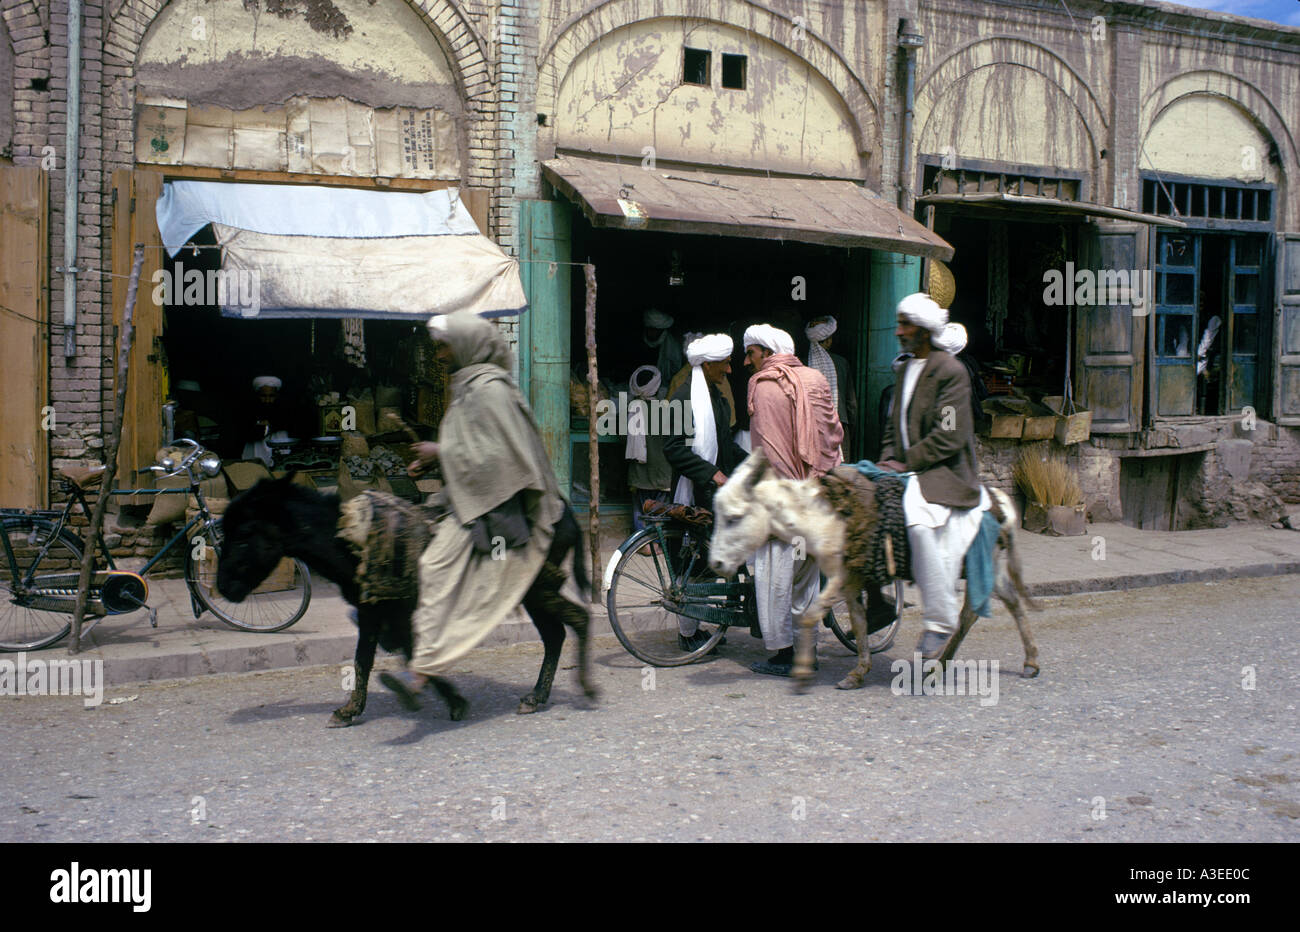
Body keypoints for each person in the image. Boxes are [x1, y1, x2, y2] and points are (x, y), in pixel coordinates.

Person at [381, 313, 587, 707]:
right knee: (425, 558)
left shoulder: (490, 391)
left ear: (465, 345)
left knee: (439, 568)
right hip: (473, 498)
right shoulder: (470, 387)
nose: (439, 355)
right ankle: (417, 659)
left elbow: (505, 458)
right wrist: (436, 461)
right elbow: (475, 450)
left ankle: (421, 670)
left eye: (444, 346)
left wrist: (440, 451)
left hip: (501, 505)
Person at [878, 294, 989, 662]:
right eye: (899, 323)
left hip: (943, 472)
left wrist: (906, 462)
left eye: (905, 324)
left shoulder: (951, 372)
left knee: (922, 525)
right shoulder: (905, 369)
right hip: (903, 467)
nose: (898, 332)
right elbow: (893, 429)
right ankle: (874, 600)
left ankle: (939, 622)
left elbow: (950, 435)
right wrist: (885, 462)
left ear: (924, 331)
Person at [743, 323, 844, 676]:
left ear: (767, 353)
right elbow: (832, 436)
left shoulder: (765, 386)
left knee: (775, 580)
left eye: (751, 353)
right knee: (806, 581)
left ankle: (786, 654)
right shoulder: (815, 379)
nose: (746, 362)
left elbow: (769, 455)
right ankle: (807, 651)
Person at [662, 333, 747, 652]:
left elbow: (724, 445)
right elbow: (673, 449)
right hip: (693, 492)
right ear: (708, 365)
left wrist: (752, 465)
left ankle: (708, 622)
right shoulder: (682, 399)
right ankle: (687, 632)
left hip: (713, 492)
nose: (729, 369)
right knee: (694, 565)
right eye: (724, 363)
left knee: (714, 560)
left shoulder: (716, 398)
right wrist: (712, 473)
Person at [625, 365, 673, 531]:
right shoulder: (665, 409)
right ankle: (656, 541)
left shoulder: (631, 408)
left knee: (640, 509)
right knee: (659, 509)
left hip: (640, 475)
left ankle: (642, 541)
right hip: (661, 473)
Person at [804, 316, 858, 460]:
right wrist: (850, 429)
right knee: (840, 472)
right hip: (839, 425)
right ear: (828, 341)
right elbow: (851, 403)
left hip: (810, 427)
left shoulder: (801, 364)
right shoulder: (841, 363)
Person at [642, 308, 685, 388]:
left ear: (661, 331)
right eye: (650, 329)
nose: (652, 333)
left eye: (655, 330)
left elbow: (675, 370)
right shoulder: (641, 341)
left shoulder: (672, 346)